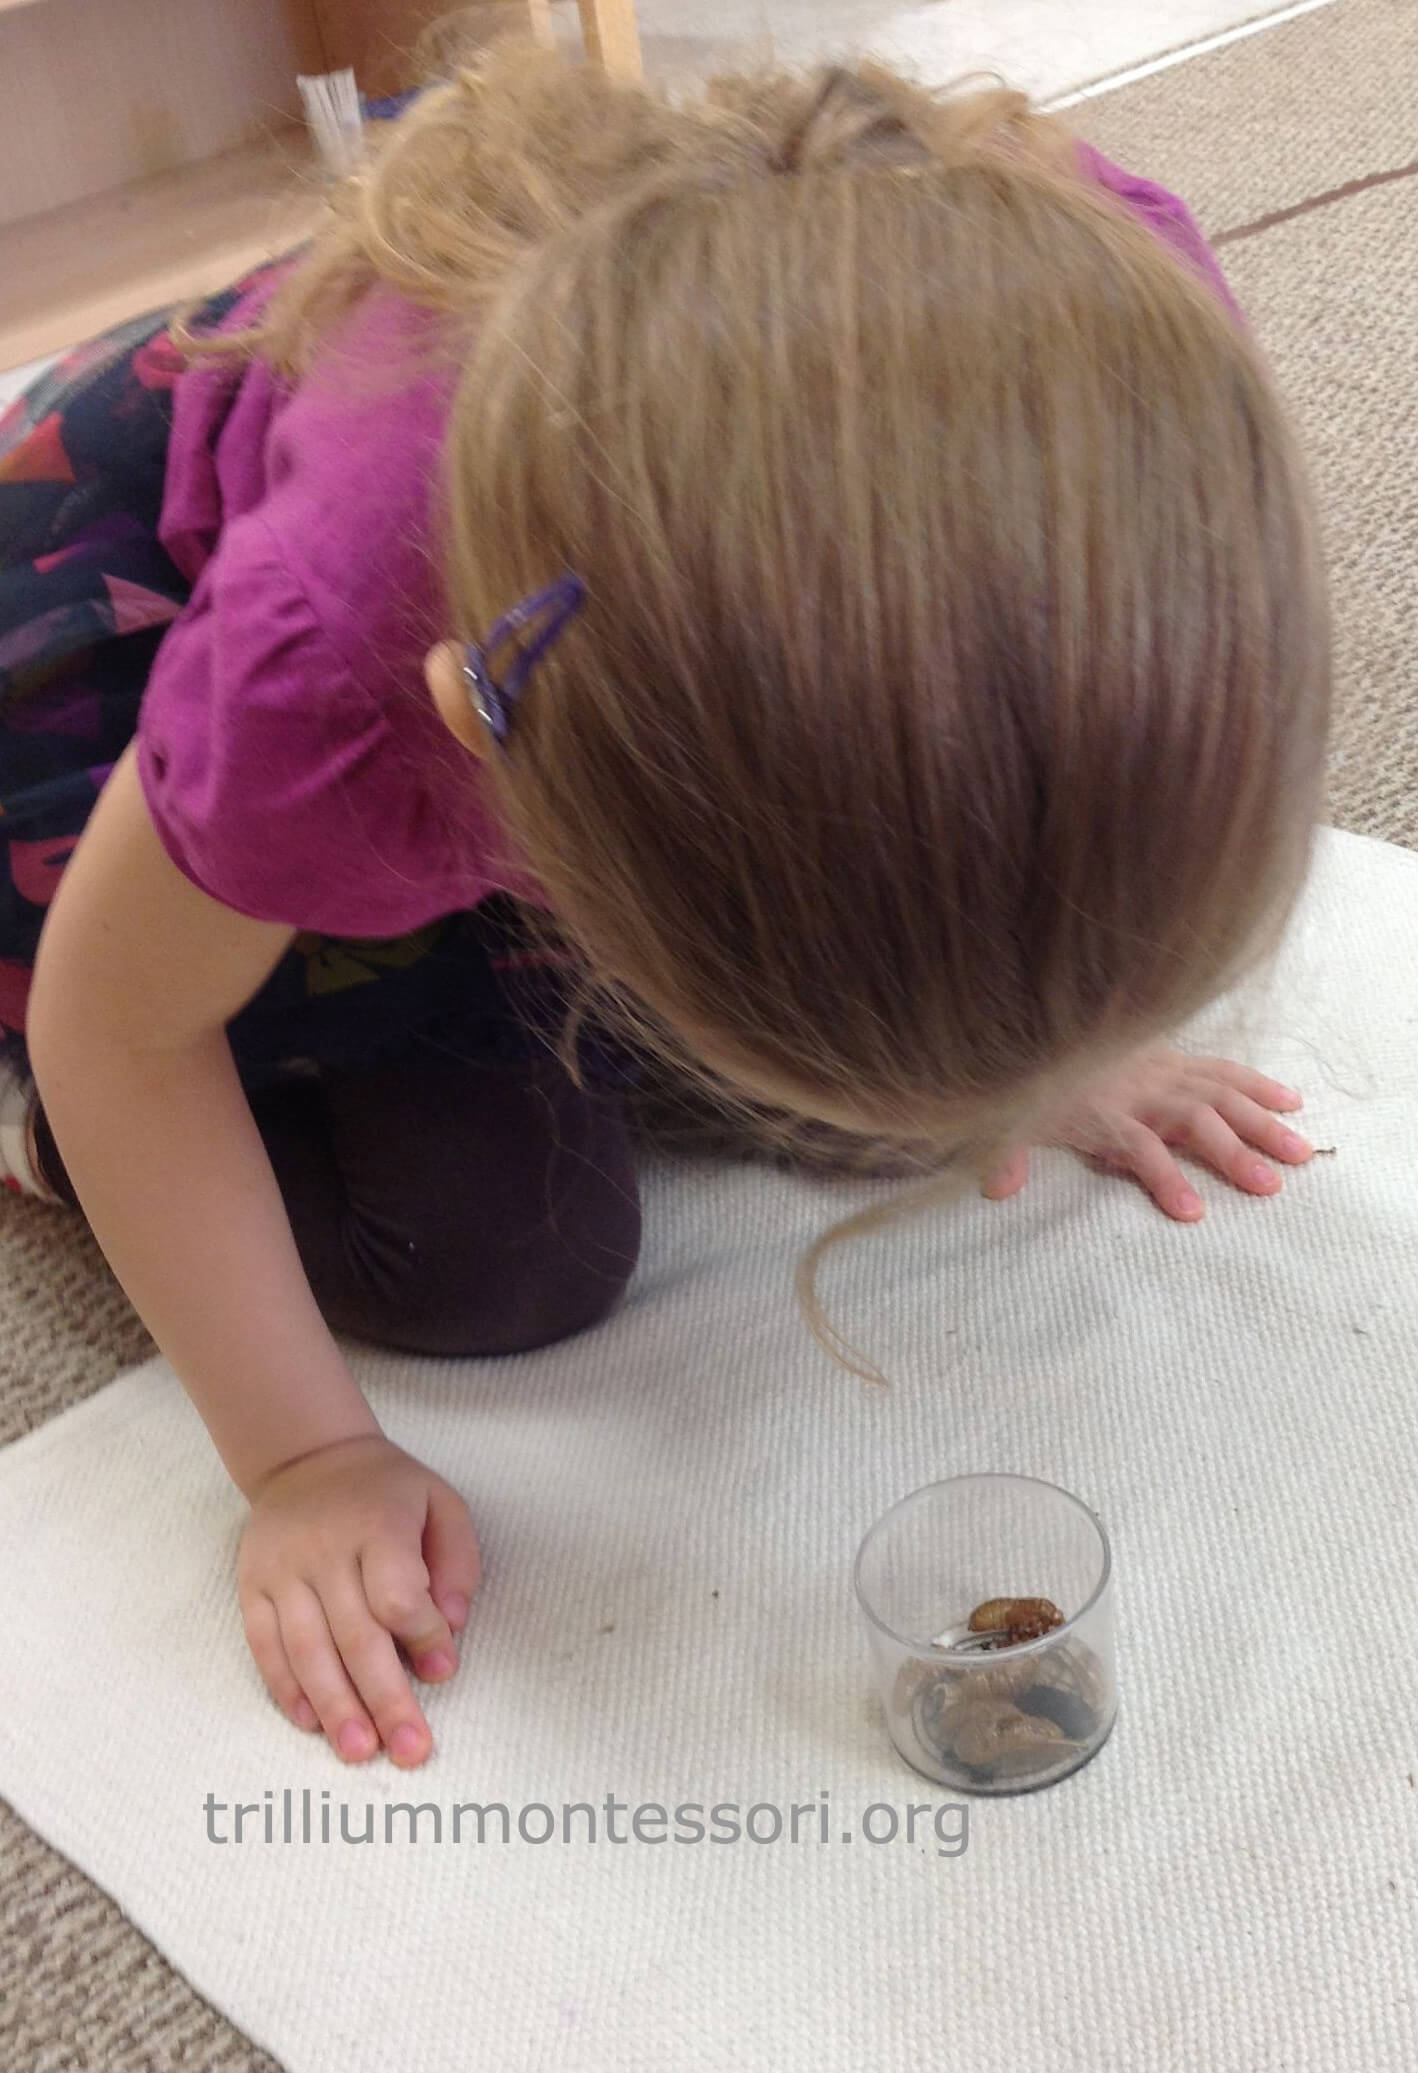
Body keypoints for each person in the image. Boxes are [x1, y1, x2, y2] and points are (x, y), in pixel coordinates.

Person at [0, 47, 1329, 1771]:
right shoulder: (329, 676)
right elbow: (125, 1023)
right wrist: (302, 1462)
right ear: (549, 832)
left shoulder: (1127, 339)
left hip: (493, 662)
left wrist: (1044, 1008)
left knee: (860, 1111)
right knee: (509, 1256)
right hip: (98, 703)